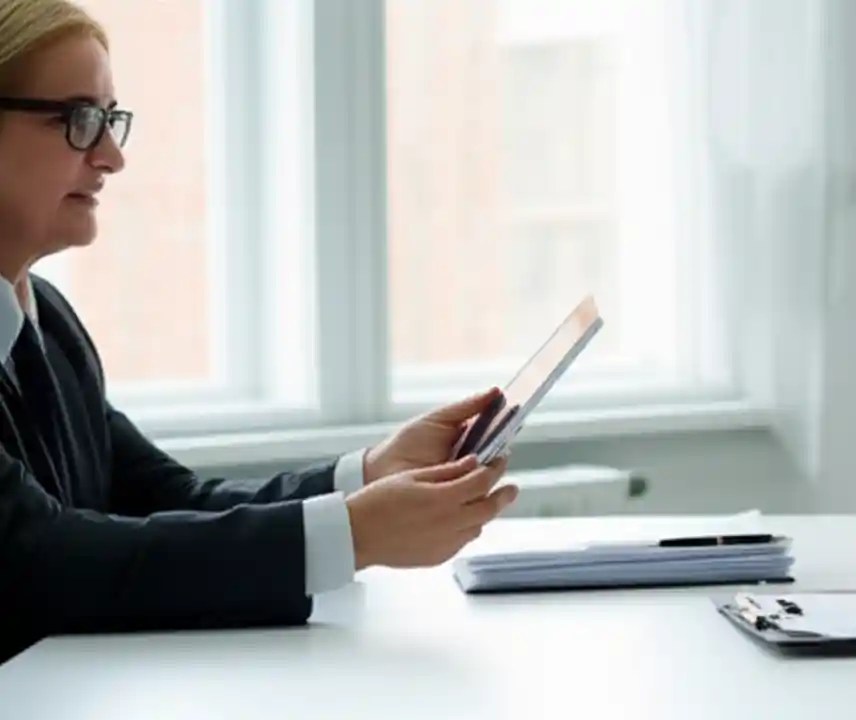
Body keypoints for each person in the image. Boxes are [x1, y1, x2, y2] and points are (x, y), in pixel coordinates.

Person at [0, 0, 518, 663]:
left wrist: (364, 478)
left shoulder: (48, 325)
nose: (110, 158)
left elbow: (168, 500)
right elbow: (41, 562)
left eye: (109, 120)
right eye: (78, 120)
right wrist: (354, 534)